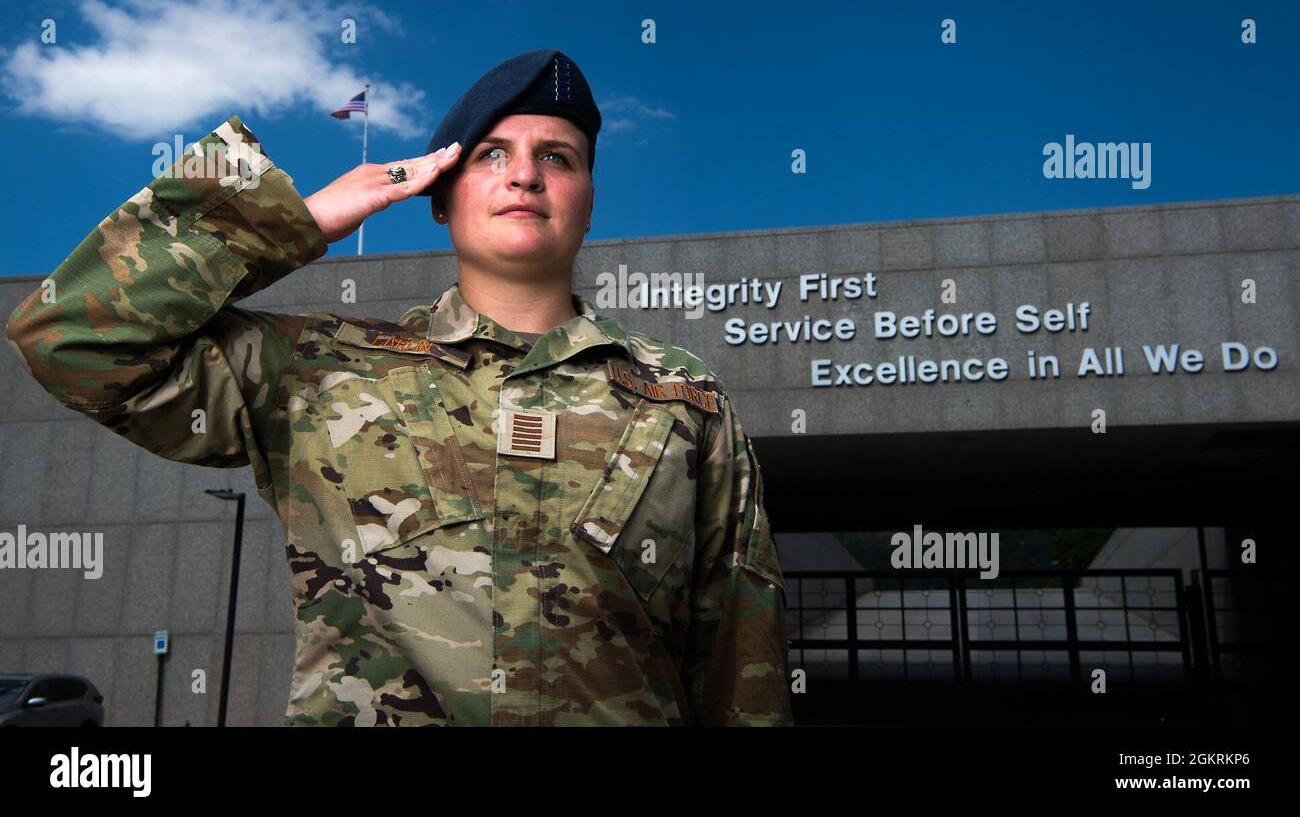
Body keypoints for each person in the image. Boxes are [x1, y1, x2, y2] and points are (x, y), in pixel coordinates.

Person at [5, 49, 792, 727]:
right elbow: (70, 337)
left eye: (558, 157)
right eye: (489, 154)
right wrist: (300, 219)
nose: (524, 172)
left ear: (589, 205)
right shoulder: (319, 369)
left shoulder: (684, 403)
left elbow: (740, 671)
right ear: (439, 198)